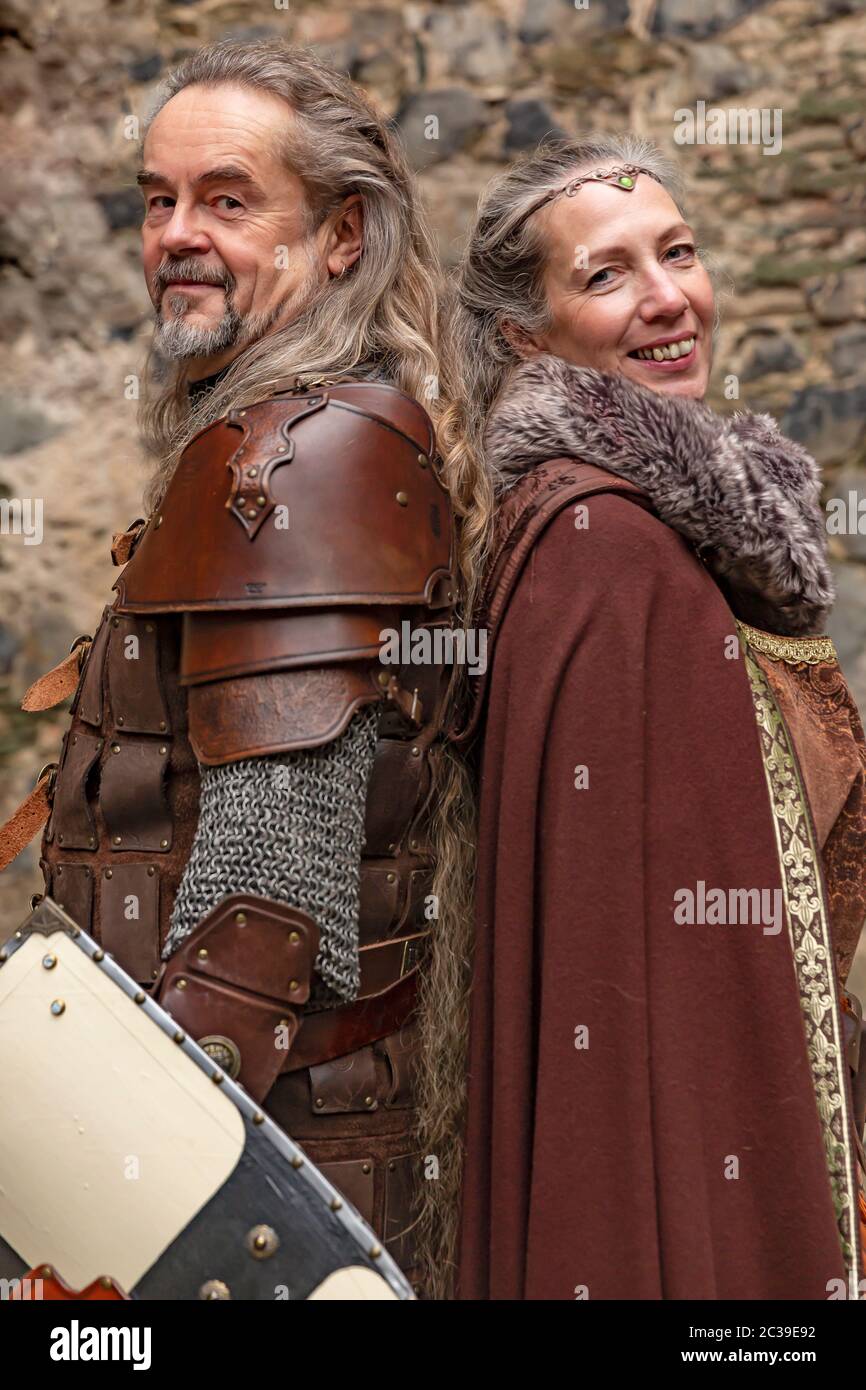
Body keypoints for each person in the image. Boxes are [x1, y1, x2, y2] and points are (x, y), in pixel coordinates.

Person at [0, 39, 461, 1299]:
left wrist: (112, 1181)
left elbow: (254, 936)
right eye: (159, 199)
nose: (177, 235)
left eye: (228, 198)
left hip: (246, 1186)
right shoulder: (277, 436)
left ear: (343, 239)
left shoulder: (305, 469)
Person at [439, 135, 866, 1300]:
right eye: (606, 274)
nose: (668, 298)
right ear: (523, 336)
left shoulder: (672, 531)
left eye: (676, 253)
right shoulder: (599, 548)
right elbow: (602, 1003)